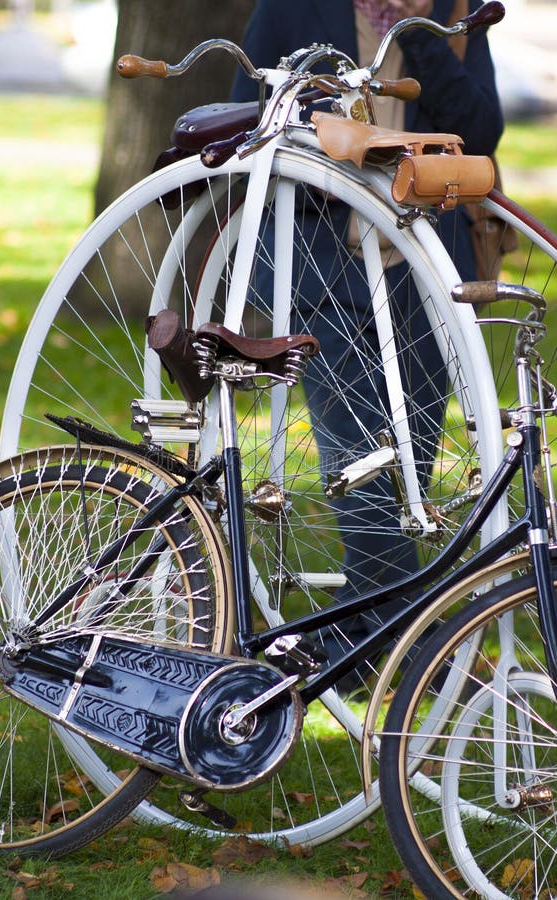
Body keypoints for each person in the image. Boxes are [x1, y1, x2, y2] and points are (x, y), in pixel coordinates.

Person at [230, 0, 504, 686]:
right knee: (361, 462)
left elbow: (478, 132)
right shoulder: (291, 9)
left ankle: (364, 630)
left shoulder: (454, 13)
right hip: (324, 263)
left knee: (412, 462)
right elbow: (246, 123)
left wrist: (419, 36)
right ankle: (413, 644)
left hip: (424, 269)